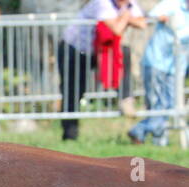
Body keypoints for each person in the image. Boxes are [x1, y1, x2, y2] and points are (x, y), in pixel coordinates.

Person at [58, 0, 145, 140]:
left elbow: (142, 23)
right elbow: (116, 29)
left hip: (97, 50)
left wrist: (124, 17)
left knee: (124, 54)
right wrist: (126, 17)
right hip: (74, 48)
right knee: (73, 91)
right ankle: (69, 135)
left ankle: (125, 98)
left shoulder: (129, 4)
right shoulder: (102, 2)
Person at [128, 0, 188, 143]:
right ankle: (158, 140)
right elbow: (151, 15)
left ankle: (139, 131)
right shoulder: (172, 4)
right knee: (157, 104)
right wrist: (160, 17)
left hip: (176, 67)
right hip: (156, 61)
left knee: (171, 105)